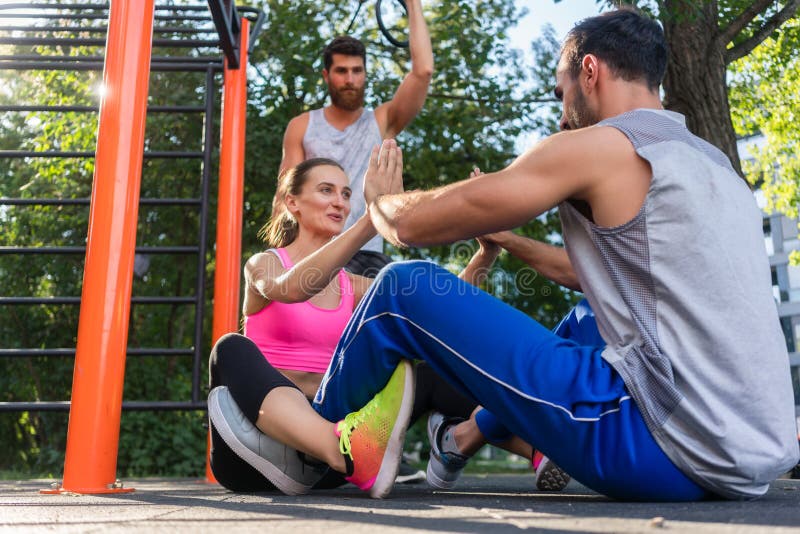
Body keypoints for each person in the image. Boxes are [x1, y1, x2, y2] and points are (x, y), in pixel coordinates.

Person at [306, 8, 799, 501]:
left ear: (590, 71)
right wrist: (510, 239)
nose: (562, 115)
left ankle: (304, 446)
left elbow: (409, 227)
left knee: (401, 288)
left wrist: (379, 200)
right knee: (590, 316)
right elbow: (600, 277)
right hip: (748, 454)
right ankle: (456, 439)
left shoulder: (597, 145)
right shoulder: (711, 164)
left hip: (663, 447)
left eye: (561, 92)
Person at [208, 153, 561, 494]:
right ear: (292, 203)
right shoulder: (263, 264)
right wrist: (372, 219)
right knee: (229, 348)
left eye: (347, 194)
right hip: (257, 454)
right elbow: (293, 288)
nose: (340, 202)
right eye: (326, 190)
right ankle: (337, 451)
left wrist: (487, 251)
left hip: (328, 457)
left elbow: (444, 306)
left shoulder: (351, 286)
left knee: (431, 367)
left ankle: (539, 447)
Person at [278, 0, 433, 276]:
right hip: (315, 250)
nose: (350, 79)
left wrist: (413, 5)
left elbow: (422, 72)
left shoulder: (382, 121)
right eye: (341, 71)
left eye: (357, 71)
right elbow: (285, 196)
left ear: (364, 74)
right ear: (327, 75)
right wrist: (283, 255)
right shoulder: (302, 126)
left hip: (367, 252)